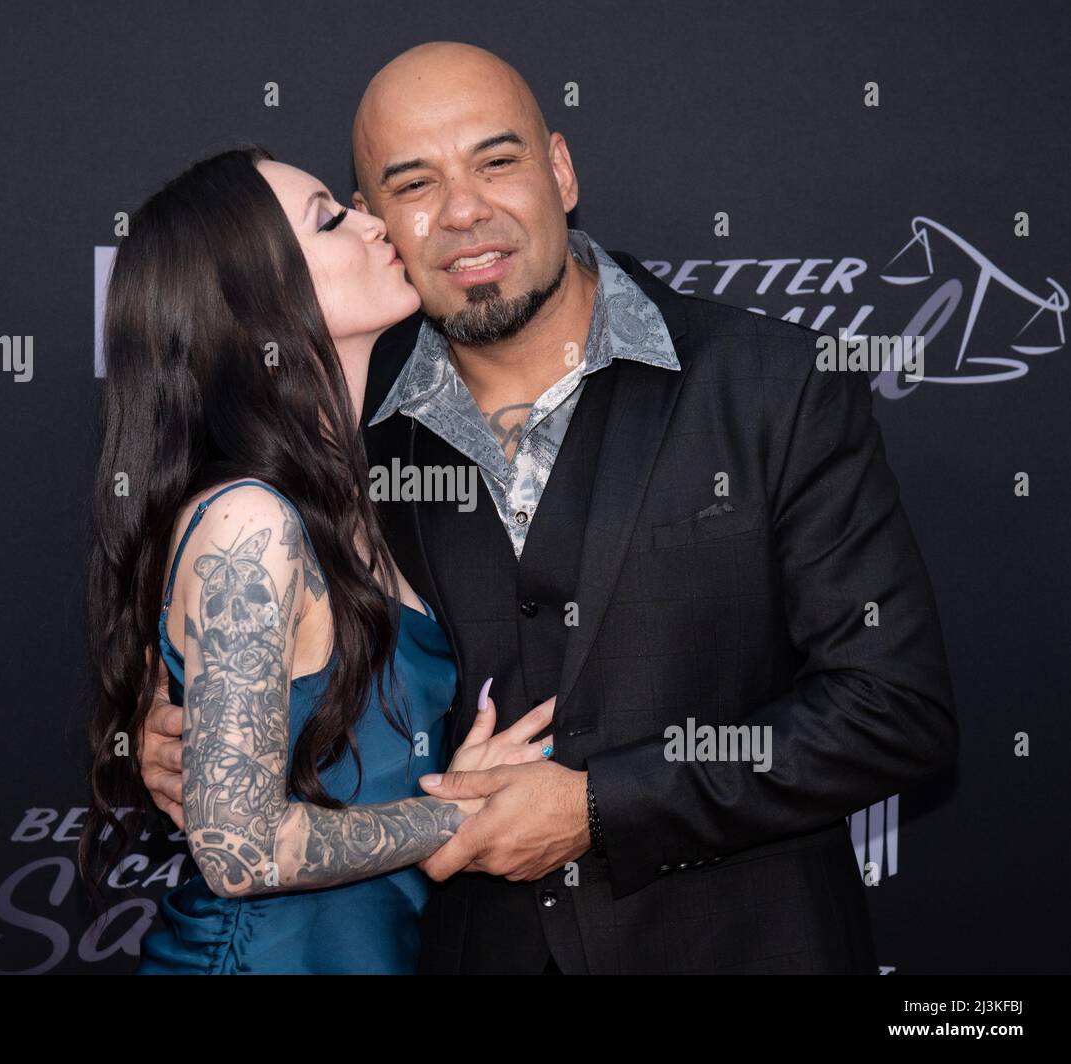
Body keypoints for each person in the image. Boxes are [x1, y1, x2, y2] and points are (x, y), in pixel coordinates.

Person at [140, 41, 959, 974]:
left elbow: (894, 709)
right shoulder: (340, 439)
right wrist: (185, 743)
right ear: (374, 224)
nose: (462, 211)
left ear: (561, 170)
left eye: (497, 161)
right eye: (414, 185)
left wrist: (600, 807)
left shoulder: (766, 382)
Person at [77, 143, 556, 975]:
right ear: (257, 302)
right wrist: (464, 813)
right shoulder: (248, 521)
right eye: (332, 219)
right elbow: (240, 849)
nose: (376, 224)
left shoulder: (353, 498)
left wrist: (448, 788)